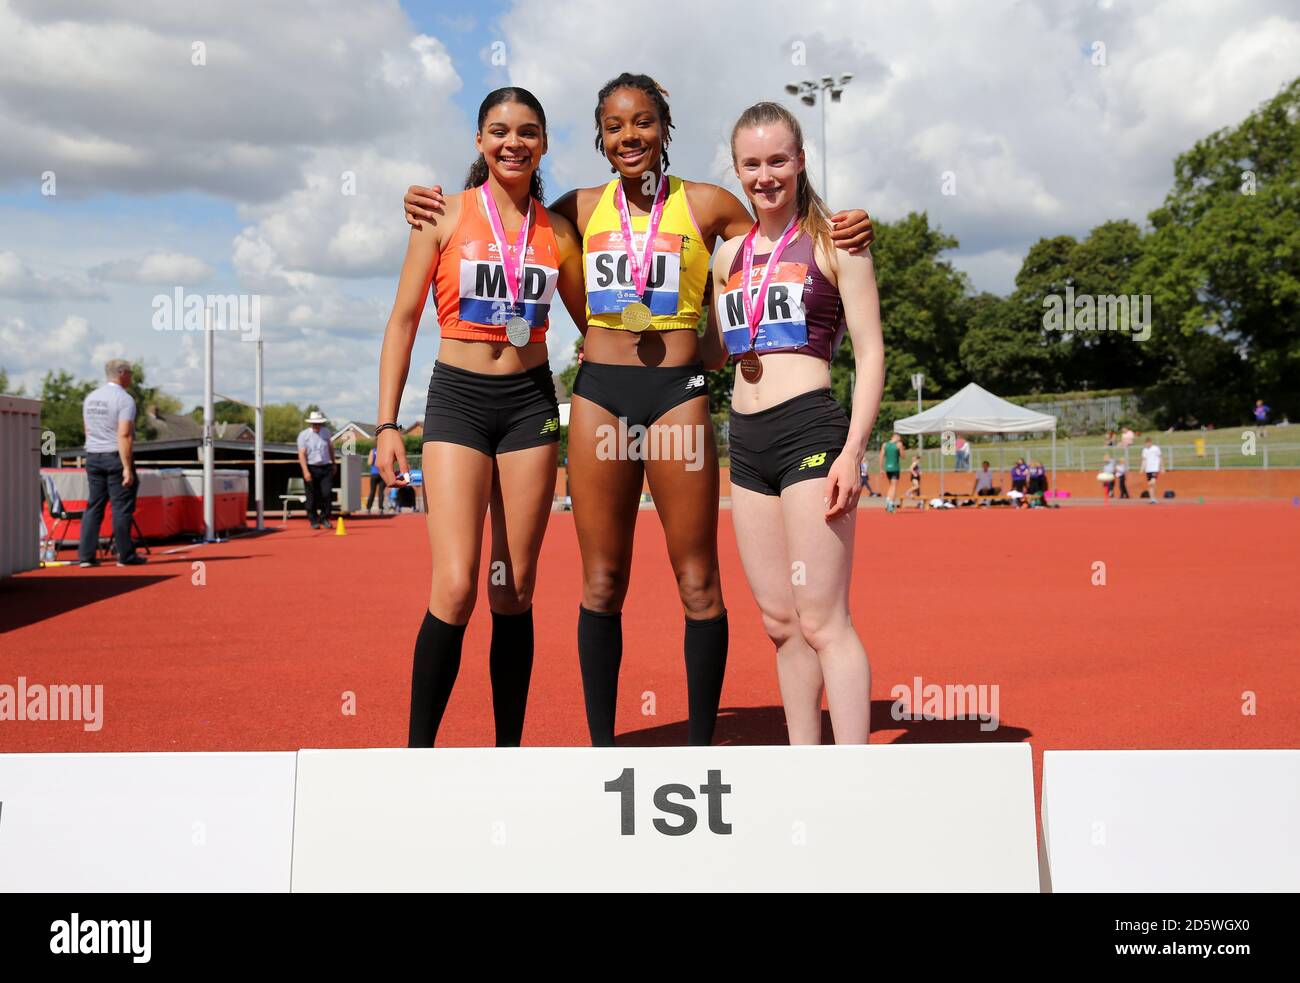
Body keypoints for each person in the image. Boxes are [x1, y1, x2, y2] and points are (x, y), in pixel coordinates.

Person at [405, 73, 874, 747]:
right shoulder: (573, 208)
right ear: (601, 136)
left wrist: (845, 223)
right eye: (617, 125)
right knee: (601, 579)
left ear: (665, 127)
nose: (632, 136)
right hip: (599, 395)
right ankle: (604, 749)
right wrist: (422, 202)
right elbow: (507, 216)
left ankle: (699, 752)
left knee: (697, 581)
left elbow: (779, 237)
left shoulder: (712, 206)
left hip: (678, 395)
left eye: (645, 122)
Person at [376, 87, 587, 748]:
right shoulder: (441, 215)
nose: (512, 142)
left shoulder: (557, 232)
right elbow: (404, 320)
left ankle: (507, 754)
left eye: (527, 131)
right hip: (459, 402)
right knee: (458, 583)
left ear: (544, 144)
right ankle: (418, 753)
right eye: (499, 131)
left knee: (514, 588)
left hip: (529, 404)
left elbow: (594, 325)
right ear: (478, 141)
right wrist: (385, 424)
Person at [701, 101, 884, 745]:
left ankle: (852, 772)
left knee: (822, 619)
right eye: (751, 164)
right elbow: (712, 350)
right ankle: (805, 767)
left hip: (810, 431)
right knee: (780, 620)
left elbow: (871, 351)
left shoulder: (839, 239)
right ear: (737, 169)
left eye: (778, 160)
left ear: (801, 160)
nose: (765, 175)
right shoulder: (728, 257)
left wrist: (852, 450)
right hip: (745, 440)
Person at [78, 359, 146, 567]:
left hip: (93, 456)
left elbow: (87, 430)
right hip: (115, 457)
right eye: (131, 373)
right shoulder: (124, 400)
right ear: (122, 373)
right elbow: (124, 434)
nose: (132, 378)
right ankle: (125, 555)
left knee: (94, 506)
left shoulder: (91, 398)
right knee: (121, 508)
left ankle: (86, 556)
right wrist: (127, 467)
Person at [297, 411, 336, 529]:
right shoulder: (303, 435)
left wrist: (334, 463)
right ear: (311, 423)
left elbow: (330, 448)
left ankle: (324, 518)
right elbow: (301, 454)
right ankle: (313, 519)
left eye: (318, 423)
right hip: (311, 467)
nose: (316, 425)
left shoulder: (326, 433)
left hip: (325, 467)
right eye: (314, 423)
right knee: (311, 496)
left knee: (327, 493)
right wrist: (305, 471)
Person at [878, 433, 903, 512]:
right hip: (895, 468)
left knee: (891, 485)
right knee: (894, 486)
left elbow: (881, 456)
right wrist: (900, 449)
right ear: (894, 437)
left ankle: (888, 500)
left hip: (887, 468)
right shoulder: (899, 444)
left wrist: (881, 469)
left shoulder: (885, 445)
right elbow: (903, 456)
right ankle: (890, 503)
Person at [365, 444, 387, 513]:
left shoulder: (373, 451)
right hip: (382, 474)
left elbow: (369, 462)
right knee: (381, 492)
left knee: (372, 491)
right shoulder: (384, 451)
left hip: (374, 473)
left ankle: (368, 508)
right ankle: (381, 508)